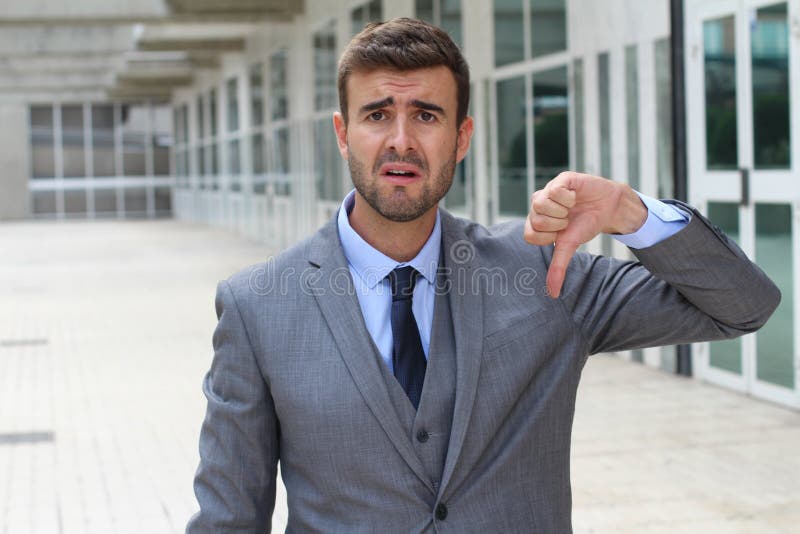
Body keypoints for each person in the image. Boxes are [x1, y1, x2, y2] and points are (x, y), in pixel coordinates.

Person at [187, 18, 779, 533]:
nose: (400, 141)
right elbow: (228, 520)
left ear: (462, 137)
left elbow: (743, 305)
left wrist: (633, 213)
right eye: (377, 114)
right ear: (343, 134)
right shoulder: (257, 306)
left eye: (426, 115)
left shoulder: (544, 270)